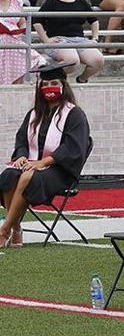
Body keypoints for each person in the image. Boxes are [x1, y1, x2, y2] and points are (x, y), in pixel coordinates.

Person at [0, 62, 92, 247]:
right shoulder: (34, 114)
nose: (49, 88)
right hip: (33, 164)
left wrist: (43, 163)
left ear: (63, 86)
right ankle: (16, 227)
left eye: (54, 84)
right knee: (9, 175)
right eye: (45, 85)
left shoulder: (75, 115)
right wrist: (21, 156)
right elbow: (22, 141)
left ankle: (4, 230)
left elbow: (74, 148)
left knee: (28, 176)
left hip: (60, 171)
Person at [34, 0, 102, 83]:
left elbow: (94, 20)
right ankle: (51, 78)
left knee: (98, 60)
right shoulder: (51, 2)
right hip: (59, 40)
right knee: (72, 61)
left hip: (79, 40)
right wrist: (46, 40)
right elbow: (37, 22)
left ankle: (82, 79)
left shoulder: (80, 1)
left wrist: (95, 38)